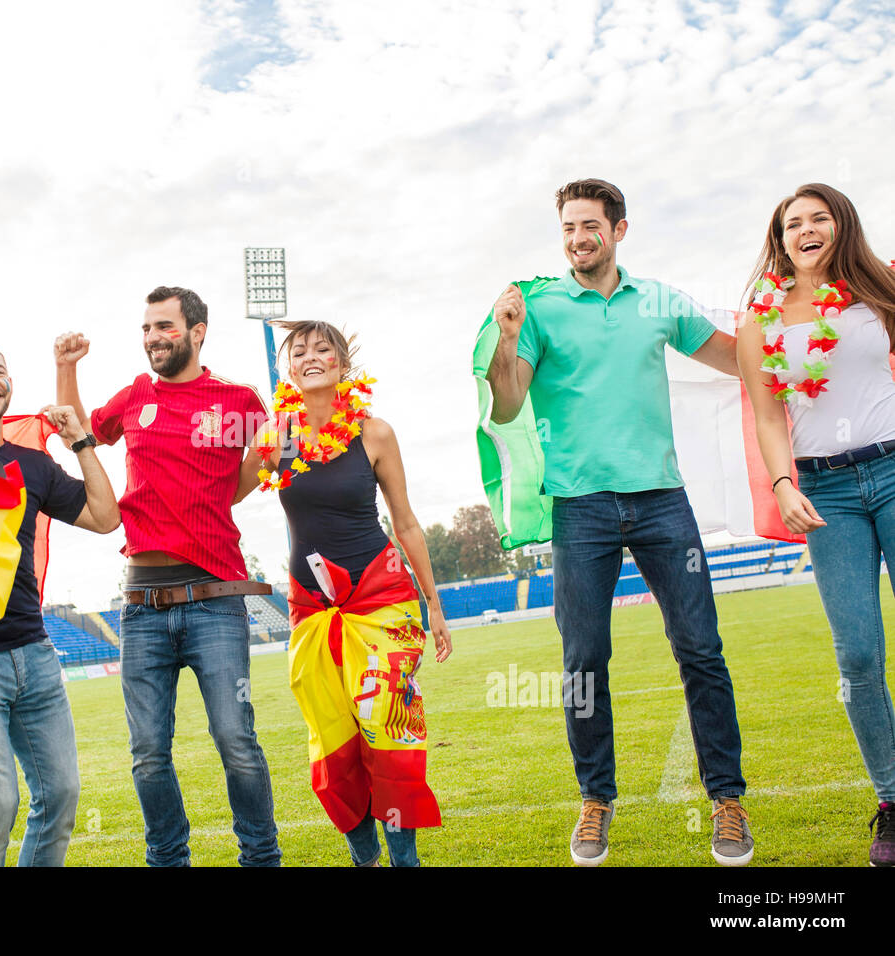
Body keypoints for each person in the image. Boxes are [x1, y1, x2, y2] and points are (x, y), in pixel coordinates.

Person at [484, 178, 753, 866]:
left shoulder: (657, 300)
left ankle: (727, 799)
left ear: (620, 230)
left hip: (664, 500)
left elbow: (734, 358)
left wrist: (793, 334)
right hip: (582, 510)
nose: (578, 238)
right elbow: (509, 404)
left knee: (701, 651)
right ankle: (595, 800)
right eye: (568, 227)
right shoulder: (540, 309)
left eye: (590, 226)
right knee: (582, 661)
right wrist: (505, 343)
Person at [56, 286, 282, 866]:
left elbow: (266, 461)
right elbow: (75, 428)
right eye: (148, 329)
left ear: (198, 331)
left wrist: (209, 504)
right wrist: (65, 367)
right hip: (141, 605)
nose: (154, 338)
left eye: (166, 327)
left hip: (217, 602)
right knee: (148, 753)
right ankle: (168, 860)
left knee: (236, 741)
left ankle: (261, 858)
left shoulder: (237, 399)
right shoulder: (135, 395)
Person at [239, 321, 452, 866]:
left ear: (341, 364)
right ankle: (366, 857)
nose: (311, 357)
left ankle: (405, 859)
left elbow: (404, 520)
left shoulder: (373, 433)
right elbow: (226, 492)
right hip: (311, 609)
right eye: (299, 351)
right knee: (331, 738)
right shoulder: (275, 436)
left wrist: (434, 602)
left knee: (389, 726)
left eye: (322, 348)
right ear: (287, 370)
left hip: (382, 600)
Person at [736, 183, 895, 867]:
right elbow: (769, 415)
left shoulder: (881, 288)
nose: (805, 229)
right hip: (825, 488)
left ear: (839, 224)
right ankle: (892, 802)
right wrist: (782, 482)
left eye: (817, 217)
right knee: (858, 655)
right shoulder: (759, 320)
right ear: (779, 238)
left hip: (894, 468)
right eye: (791, 222)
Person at [0, 339, 119, 866]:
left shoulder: (34, 465)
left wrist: (81, 442)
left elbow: (106, 518)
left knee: (59, 795)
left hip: (34, 654)